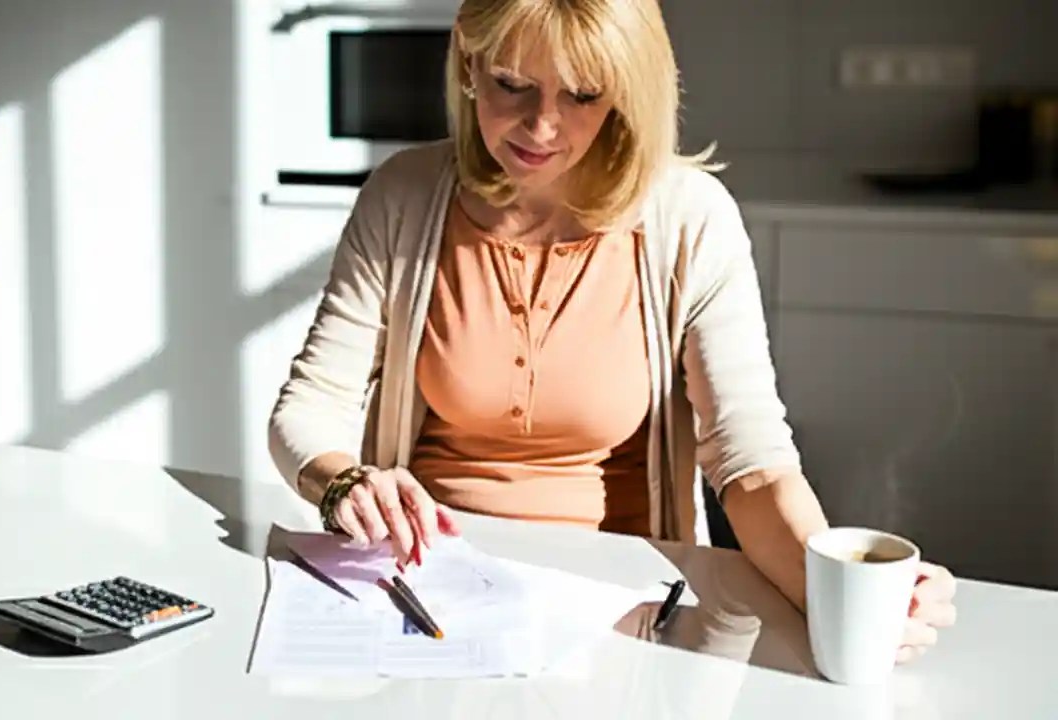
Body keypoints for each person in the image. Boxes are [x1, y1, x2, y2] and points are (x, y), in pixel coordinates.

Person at [268, 0, 956, 664]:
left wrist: (835, 591)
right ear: (469, 61)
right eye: (511, 85)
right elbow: (309, 405)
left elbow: (752, 464)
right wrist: (342, 483)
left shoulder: (689, 218)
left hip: (619, 610)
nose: (541, 126)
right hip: (432, 591)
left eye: (582, 95)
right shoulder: (404, 195)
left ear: (627, 90)